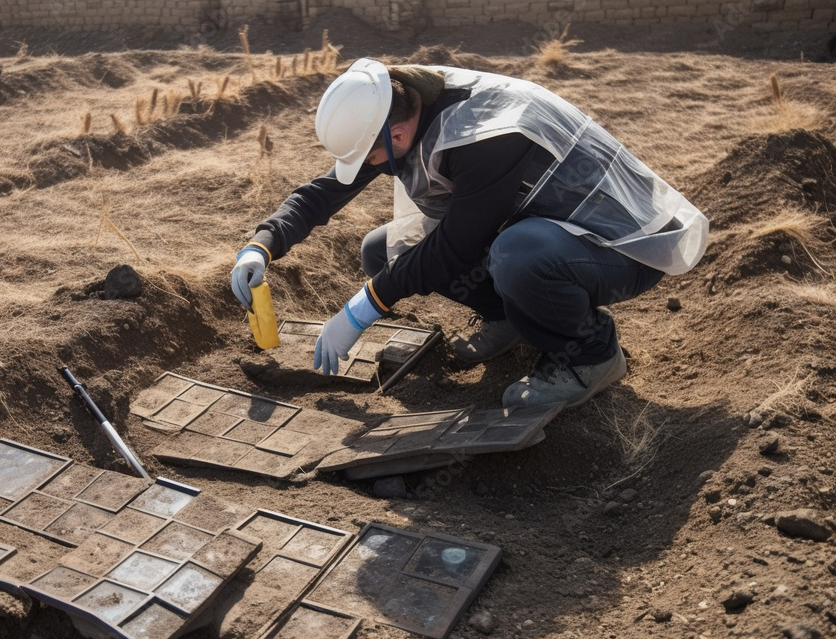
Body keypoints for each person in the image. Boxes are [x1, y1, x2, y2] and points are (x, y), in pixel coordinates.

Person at [230, 58, 708, 409]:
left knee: (517, 255)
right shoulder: (404, 102)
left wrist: (360, 309)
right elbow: (322, 194)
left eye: (369, 157)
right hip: (551, 230)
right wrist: (261, 246)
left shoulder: (485, 134)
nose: (367, 168)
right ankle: (514, 318)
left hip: (621, 244)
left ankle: (592, 354)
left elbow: (456, 246)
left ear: (396, 137)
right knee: (383, 250)